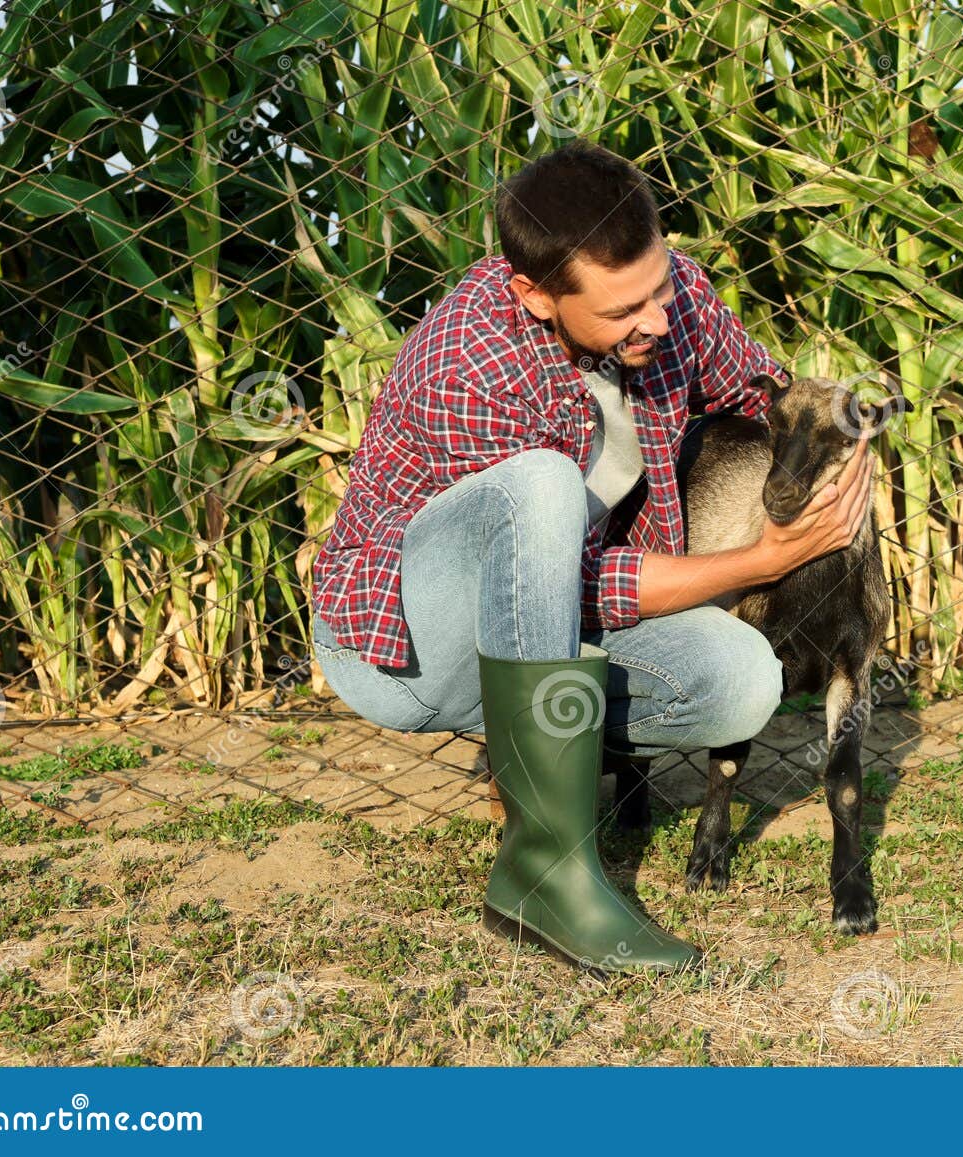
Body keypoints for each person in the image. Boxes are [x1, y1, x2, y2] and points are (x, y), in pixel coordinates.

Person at [308, 140, 874, 974]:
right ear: (534, 295)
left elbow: (765, 389)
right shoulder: (472, 361)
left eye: (657, 289)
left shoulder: (667, 299)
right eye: (620, 312)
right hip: (410, 644)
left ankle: (545, 756)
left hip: (562, 623)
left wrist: (842, 450)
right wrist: (760, 560)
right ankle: (547, 870)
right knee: (539, 487)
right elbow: (565, 578)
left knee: (743, 680)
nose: (653, 320)